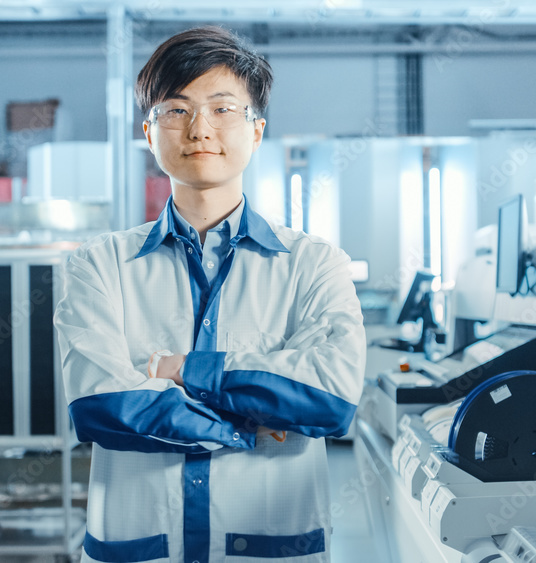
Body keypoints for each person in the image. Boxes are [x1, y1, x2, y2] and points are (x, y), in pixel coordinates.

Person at [54, 26, 366, 563]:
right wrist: (248, 423)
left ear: (257, 130)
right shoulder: (97, 266)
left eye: (222, 109)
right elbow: (103, 407)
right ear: (150, 133)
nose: (199, 129)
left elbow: (329, 400)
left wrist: (181, 371)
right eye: (175, 110)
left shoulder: (315, 265)